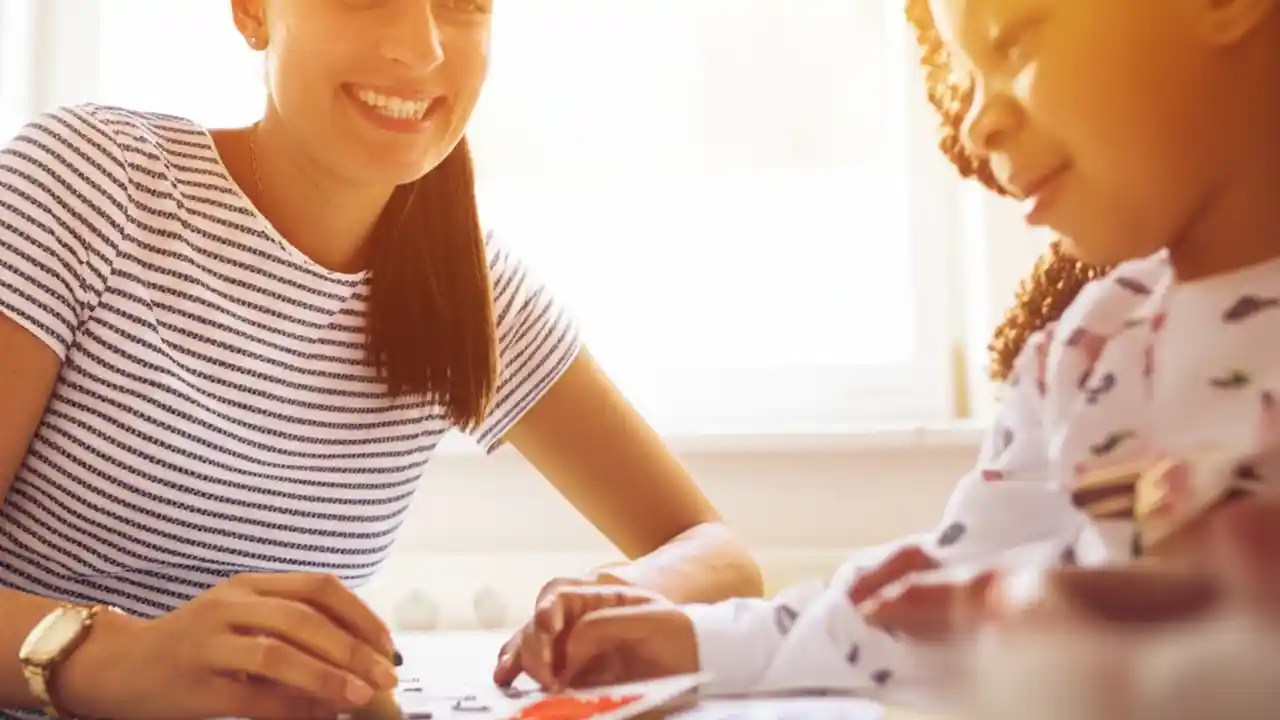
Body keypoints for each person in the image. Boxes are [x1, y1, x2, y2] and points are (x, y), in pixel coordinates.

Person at [0, 1, 763, 718]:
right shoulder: (94, 184)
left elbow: (718, 557)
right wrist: (116, 657)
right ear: (253, 9)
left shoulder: (470, 290)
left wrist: (622, 594)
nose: (421, 46)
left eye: (462, 3)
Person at [511, 0, 1280, 699]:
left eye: (1011, 41)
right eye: (966, 76)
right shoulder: (1082, 350)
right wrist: (691, 639)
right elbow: (943, 592)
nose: (975, 121)